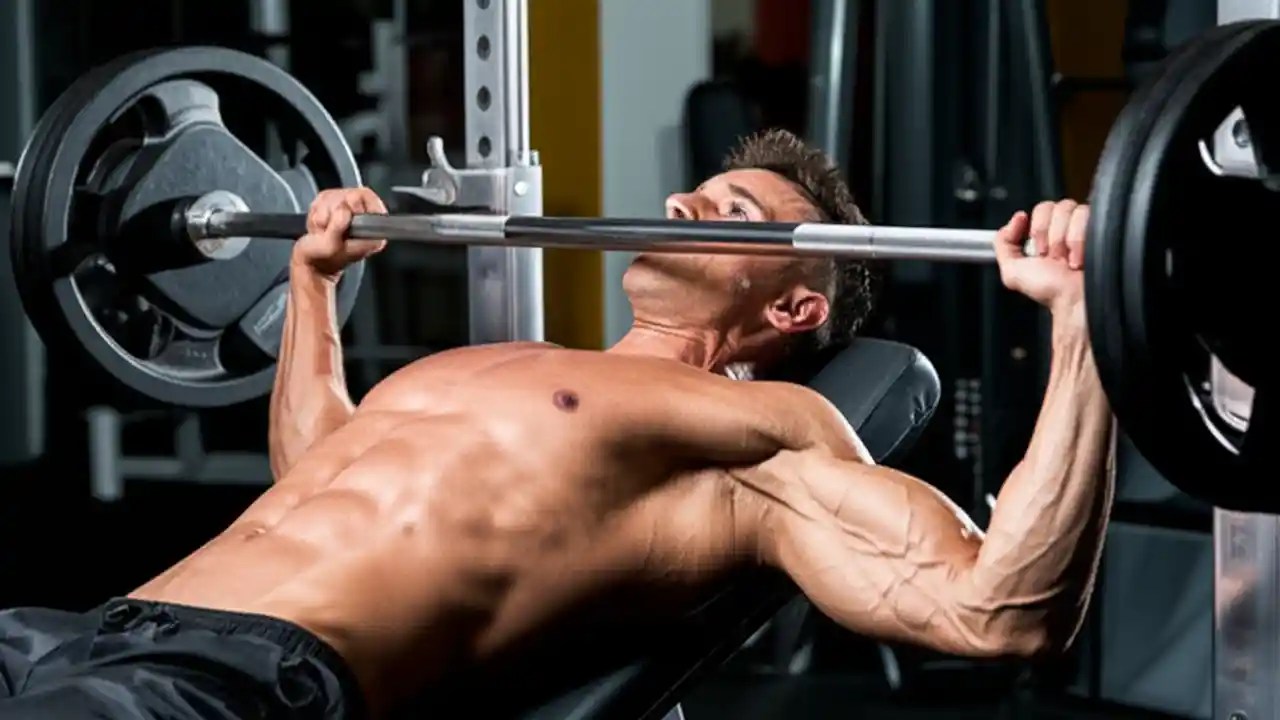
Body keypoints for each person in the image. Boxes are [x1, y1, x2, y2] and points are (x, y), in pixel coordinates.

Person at [0, 129, 1113, 719]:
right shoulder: (505, 367)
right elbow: (314, 474)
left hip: (237, 684)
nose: (678, 204)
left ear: (792, 308)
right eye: (695, 191)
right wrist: (308, 285)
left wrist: (1084, 320)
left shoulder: (758, 435)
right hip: (91, 631)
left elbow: (997, 612)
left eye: (728, 212)